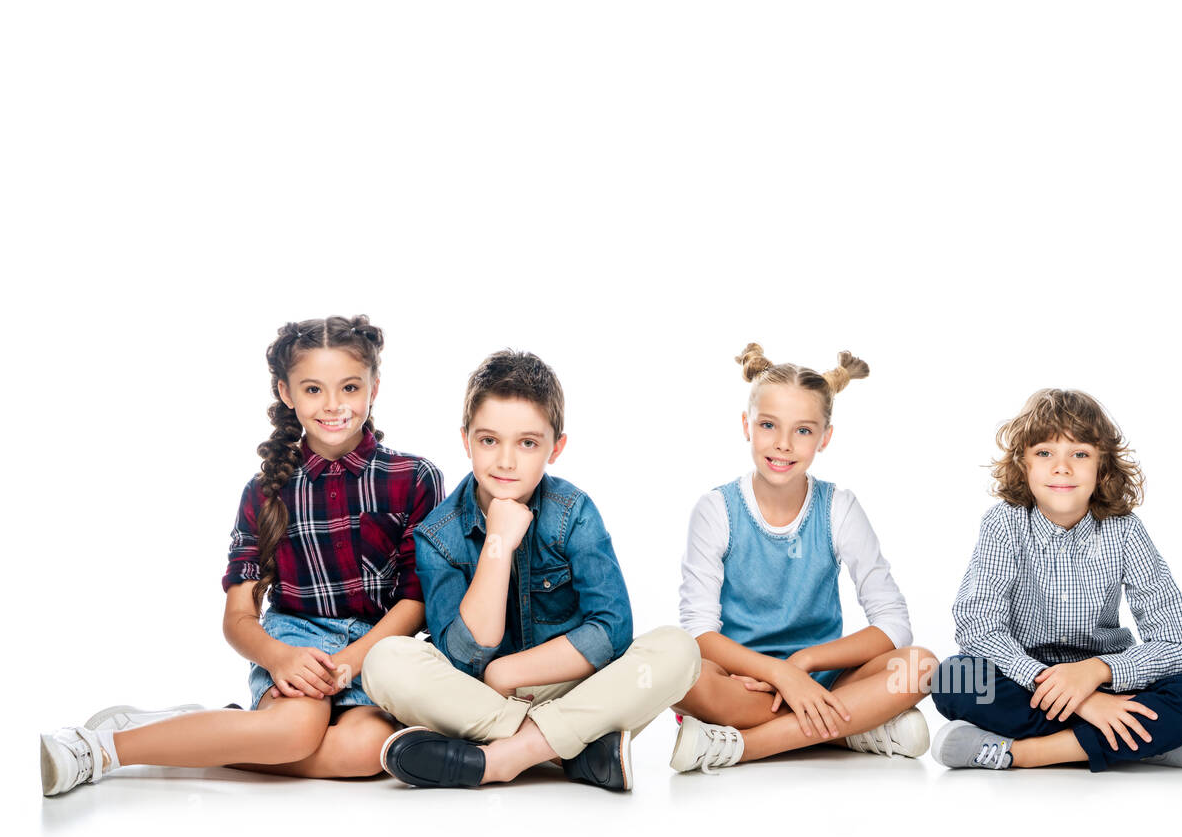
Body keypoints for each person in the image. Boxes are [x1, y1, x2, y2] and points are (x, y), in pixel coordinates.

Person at [40, 315, 443, 795]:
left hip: (380, 653)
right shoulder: (265, 491)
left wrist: (351, 663)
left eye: (350, 387)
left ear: (374, 388)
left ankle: (201, 733)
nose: (334, 405)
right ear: (286, 393)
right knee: (295, 731)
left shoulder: (415, 477)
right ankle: (104, 748)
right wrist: (279, 657)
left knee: (365, 753)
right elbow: (238, 617)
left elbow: (417, 600)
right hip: (296, 641)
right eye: (313, 390)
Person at [362, 349, 701, 792]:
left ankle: (501, 758)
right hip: (478, 699)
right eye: (489, 441)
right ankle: (570, 748)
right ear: (466, 440)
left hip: (575, 689)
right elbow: (465, 657)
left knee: (677, 650)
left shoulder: (572, 512)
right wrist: (498, 544)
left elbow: (612, 629)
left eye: (527, 443)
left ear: (555, 447)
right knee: (384, 661)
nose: (506, 461)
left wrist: (510, 672)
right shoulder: (438, 535)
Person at [668, 343, 937, 774]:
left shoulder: (839, 508)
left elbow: (893, 624)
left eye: (804, 431)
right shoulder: (716, 509)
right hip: (744, 683)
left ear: (825, 437)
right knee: (680, 674)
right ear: (746, 426)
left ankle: (745, 746)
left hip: (824, 679)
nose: (783, 444)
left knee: (922, 667)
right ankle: (853, 729)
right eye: (769, 425)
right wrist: (778, 674)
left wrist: (803, 664)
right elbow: (699, 632)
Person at [929, 388, 1182, 771]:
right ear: (1024, 465)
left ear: (1102, 467)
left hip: (1110, 681)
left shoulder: (1125, 531)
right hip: (1027, 684)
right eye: (1044, 453)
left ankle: (1026, 753)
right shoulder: (1004, 524)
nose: (1062, 467)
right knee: (954, 678)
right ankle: (1146, 744)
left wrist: (1095, 674)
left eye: (1080, 454)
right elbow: (978, 626)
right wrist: (1079, 699)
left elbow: (1179, 642)